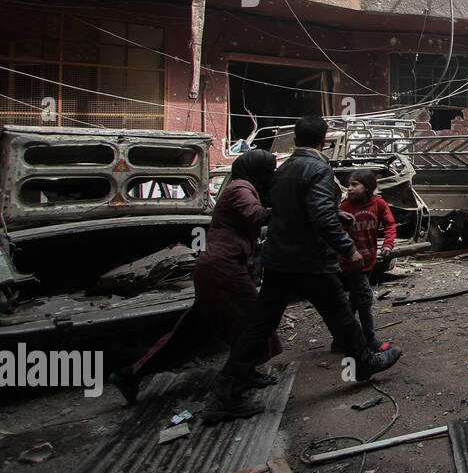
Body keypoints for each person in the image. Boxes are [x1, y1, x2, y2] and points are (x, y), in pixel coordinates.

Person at [205, 116, 401, 422]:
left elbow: (295, 210)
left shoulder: (283, 170)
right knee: (338, 312)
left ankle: (226, 388)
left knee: (262, 323)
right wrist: (348, 248)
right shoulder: (318, 169)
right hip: (309, 260)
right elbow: (320, 216)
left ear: (295, 138)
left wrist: (336, 216)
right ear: (323, 140)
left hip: (280, 259)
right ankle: (363, 362)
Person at [110, 149, 280, 404]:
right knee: (254, 322)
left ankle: (130, 374)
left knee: (191, 333)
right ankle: (235, 380)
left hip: (216, 268)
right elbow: (256, 215)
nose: (272, 173)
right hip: (223, 269)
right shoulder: (241, 188)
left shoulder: (243, 185)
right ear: (258, 169)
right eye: (270, 168)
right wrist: (286, 204)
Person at [332, 168, 396, 353]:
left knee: (354, 301)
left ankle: (341, 340)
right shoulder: (345, 208)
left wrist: (387, 245)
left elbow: (390, 224)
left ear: (367, 188)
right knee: (365, 300)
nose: (349, 189)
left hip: (368, 260)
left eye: (354, 185)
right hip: (351, 263)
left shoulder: (379, 204)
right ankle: (370, 339)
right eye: (349, 185)